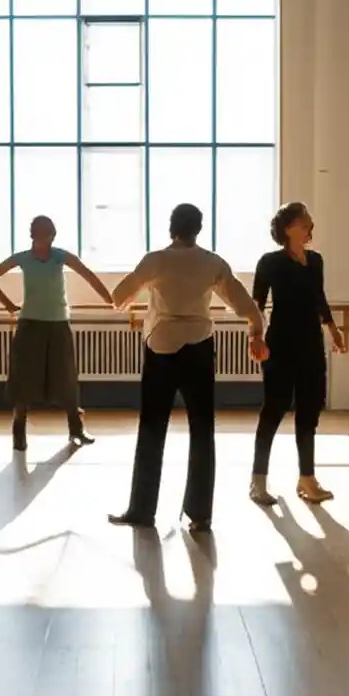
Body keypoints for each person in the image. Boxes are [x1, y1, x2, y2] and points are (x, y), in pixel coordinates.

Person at [107, 204, 267, 533]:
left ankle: (141, 509)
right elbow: (247, 306)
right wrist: (255, 333)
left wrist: (143, 291)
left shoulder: (156, 260)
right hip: (199, 348)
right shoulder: (213, 263)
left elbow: (117, 296)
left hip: (161, 346)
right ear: (199, 228)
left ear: (171, 228)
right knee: (202, 429)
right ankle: (200, 514)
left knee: (152, 428)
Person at [0, 215, 113, 451]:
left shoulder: (60, 256)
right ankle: (19, 429)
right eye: (42, 234)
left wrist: (109, 298)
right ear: (33, 235)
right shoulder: (22, 258)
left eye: (50, 235)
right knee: (24, 378)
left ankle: (76, 428)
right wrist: (8, 305)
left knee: (66, 376)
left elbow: (87, 273)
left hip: (58, 323)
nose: (46, 239)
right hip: (30, 323)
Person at [248, 202, 347, 507]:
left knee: (310, 410)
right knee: (274, 409)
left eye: (310, 225)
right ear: (288, 227)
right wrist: (255, 336)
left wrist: (333, 328)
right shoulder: (270, 262)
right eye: (304, 224)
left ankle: (307, 478)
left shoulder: (315, 261)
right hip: (281, 343)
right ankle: (258, 480)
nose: (309, 229)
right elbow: (256, 303)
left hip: (310, 344)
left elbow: (319, 297)